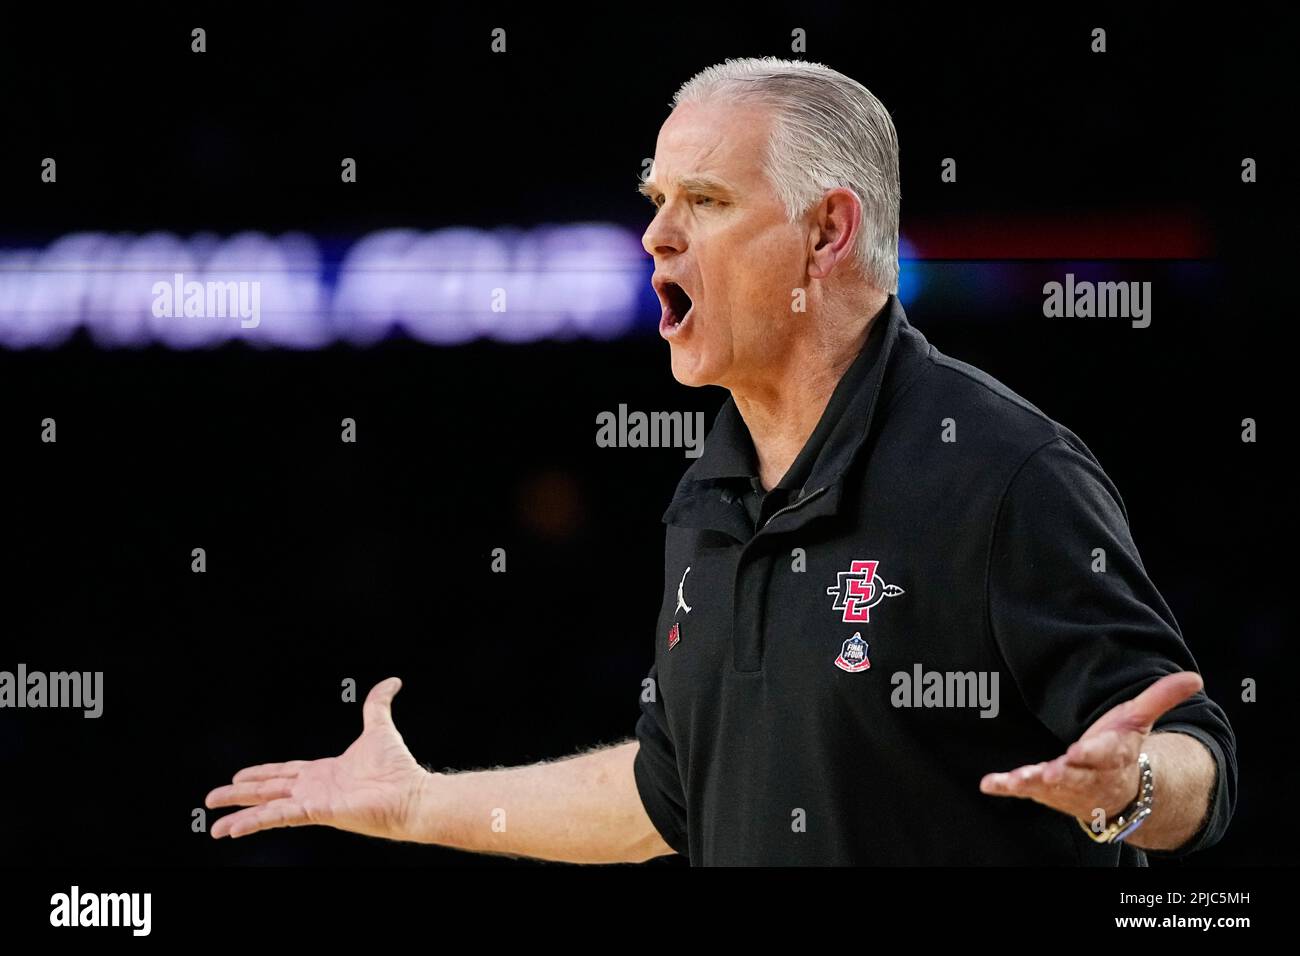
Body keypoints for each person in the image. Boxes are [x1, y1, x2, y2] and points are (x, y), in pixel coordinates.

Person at [206, 57, 1235, 865]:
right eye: (655, 199)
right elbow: (671, 792)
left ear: (827, 230)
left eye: (703, 200)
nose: (655, 235)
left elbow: (1195, 759)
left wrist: (1133, 787)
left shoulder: (1005, 471)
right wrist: (423, 802)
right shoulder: (707, 492)